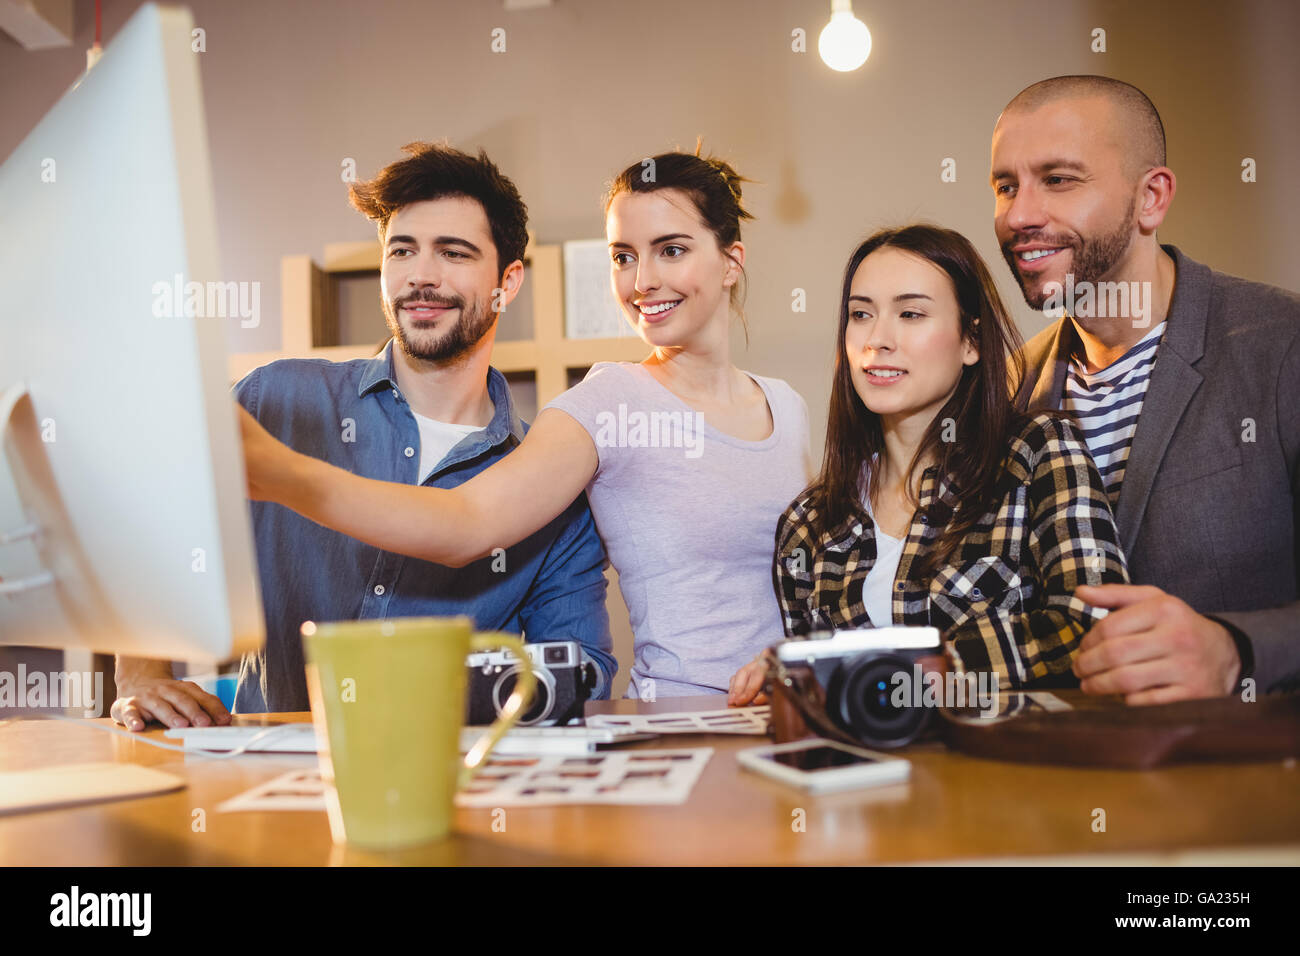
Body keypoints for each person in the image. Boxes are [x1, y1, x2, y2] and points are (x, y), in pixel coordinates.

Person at [240, 149, 814, 699]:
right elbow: (467, 524)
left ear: (731, 261)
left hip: (791, 721)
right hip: (681, 721)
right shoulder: (605, 403)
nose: (641, 282)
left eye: (671, 250)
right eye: (622, 256)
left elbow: (582, 665)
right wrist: (145, 675)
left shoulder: (788, 407)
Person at [111, 142, 616, 730]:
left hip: (453, 787)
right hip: (264, 782)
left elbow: (585, 669)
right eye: (402, 251)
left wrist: (449, 689)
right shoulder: (273, 400)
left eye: (453, 253)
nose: (421, 277)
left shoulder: (547, 483)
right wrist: (140, 675)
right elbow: (158, 537)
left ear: (508, 281)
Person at [728, 224, 1128, 705]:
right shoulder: (809, 523)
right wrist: (790, 674)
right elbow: (815, 700)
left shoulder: (1040, 454)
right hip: (857, 775)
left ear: (970, 342)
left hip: (1005, 770)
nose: (878, 339)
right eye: (860, 315)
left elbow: (1093, 628)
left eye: (911, 313)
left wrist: (899, 673)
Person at [993, 75, 1300, 702]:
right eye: (1005, 186)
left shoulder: (1282, 345)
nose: (1020, 215)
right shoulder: (1007, 389)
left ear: (1151, 198)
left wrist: (1235, 650)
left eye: (1059, 179)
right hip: (1058, 779)